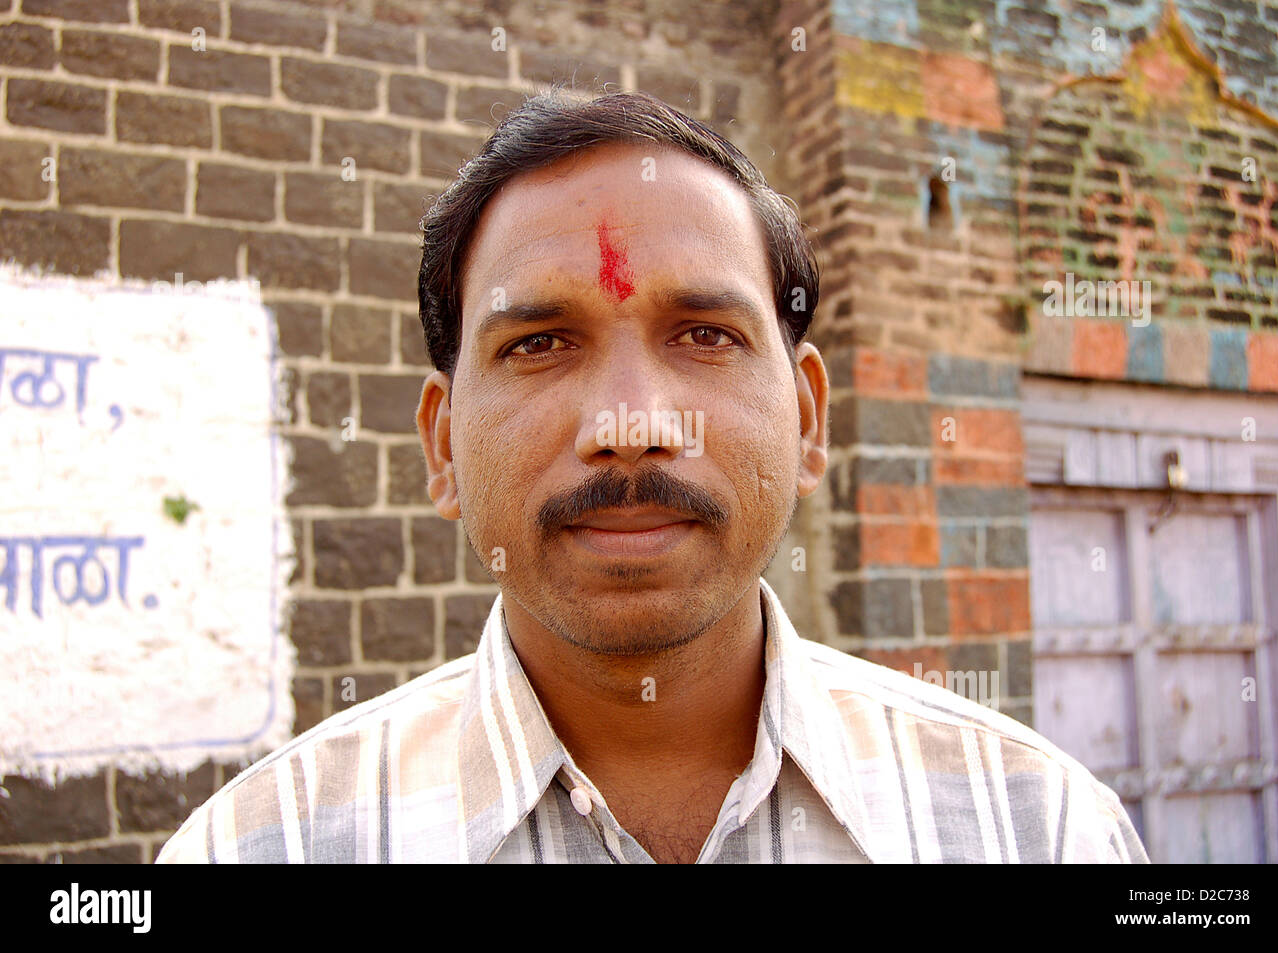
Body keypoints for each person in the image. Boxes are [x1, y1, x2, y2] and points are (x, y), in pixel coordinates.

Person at [157, 90, 1148, 864]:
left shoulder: (1037, 825)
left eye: (705, 335)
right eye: (539, 342)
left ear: (806, 418)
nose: (628, 425)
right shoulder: (254, 845)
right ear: (442, 443)